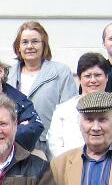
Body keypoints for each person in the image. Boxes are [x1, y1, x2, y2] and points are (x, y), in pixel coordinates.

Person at [7, 21, 78, 156]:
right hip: (14, 147)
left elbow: (70, 114)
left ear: (44, 45)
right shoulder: (8, 75)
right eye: (25, 42)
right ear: (18, 47)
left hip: (50, 146)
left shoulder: (61, 72)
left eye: (35, 41)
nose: (30, 46)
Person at [48, 53, 112, 158]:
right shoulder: (63, 110)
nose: (93, 80)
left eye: (98, 75)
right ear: (80, 79)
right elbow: (55, 144)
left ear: (106, 77)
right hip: (71, 165)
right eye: (88, 76)